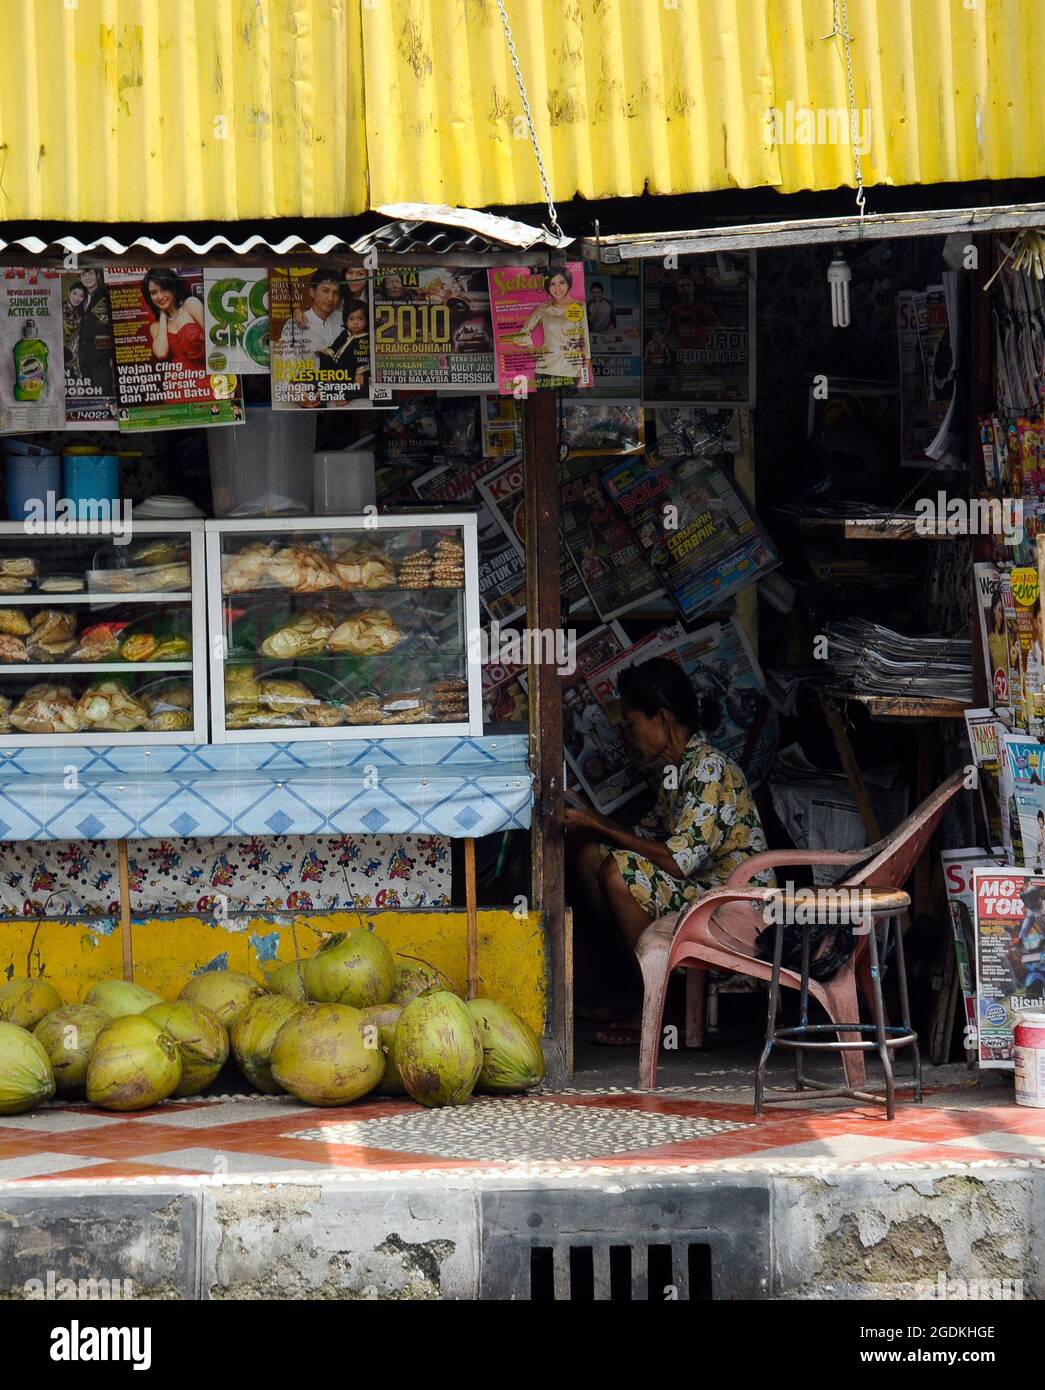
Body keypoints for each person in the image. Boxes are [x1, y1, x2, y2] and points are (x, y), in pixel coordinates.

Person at [565, 656, 771, 1045]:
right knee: (592, 856)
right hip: (700, 889)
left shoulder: (708, 769)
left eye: (632, 724)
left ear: (662, 718)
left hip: (731, 902)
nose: (628, 735)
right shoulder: (678, 772)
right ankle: (637, 984)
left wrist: (597, 822)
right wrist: (588, 822)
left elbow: (677, 861)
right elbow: (650, 836)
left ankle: (658, 1007)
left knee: (616, 872)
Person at [511, 268, 586, 381]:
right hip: (545, 370)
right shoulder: (543, 309)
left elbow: (585, 342)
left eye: (562, 282)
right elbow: (523, 332)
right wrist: (531, 348)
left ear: (569, 283)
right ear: (548, 287)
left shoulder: (580, 307)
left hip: (571, 371)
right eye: (552, 284)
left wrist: (585, 376)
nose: (558, 288)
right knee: (543, 399)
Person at [141, 269, 205, 369]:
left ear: (173, 288)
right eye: (154, 293)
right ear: (149, 297)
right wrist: (162, 315)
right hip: (177, 381)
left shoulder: (191, 304)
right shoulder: (155, 327)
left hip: (206, 377)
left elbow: (215, 339)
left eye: (164, 289)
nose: (160, 296)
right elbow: (161, 354)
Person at [317, 299, 370, 394]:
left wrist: (359, 373)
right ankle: (325, 378)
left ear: (366, 320)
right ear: (346, 320)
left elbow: (363, 357)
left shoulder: (365, 338)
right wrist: (326, 352)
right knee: (324, 356)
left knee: (355, 383)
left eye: (360, 319)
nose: (355, 322)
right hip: (337, 365)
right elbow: (335, 346)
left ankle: (341, 393)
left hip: (350, 368)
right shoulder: (345, 334)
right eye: (351, 319)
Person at [76, 267, 115, 395]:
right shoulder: (81, 298)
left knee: (104, 392)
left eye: (90, 273)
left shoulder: (106, 295)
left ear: (97, 275)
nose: (87, 277)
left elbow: (112, 326)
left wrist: (109, 354)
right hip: (84, 355)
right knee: (89, 394)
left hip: (101, 356)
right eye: (83, 274)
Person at [62, 281, 87, 375]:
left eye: (81, 296)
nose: (77, 298)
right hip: (57, 352)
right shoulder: (59, 308)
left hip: (72, 357)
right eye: (75, 293)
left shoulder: (81, 314)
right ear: (69, 292)